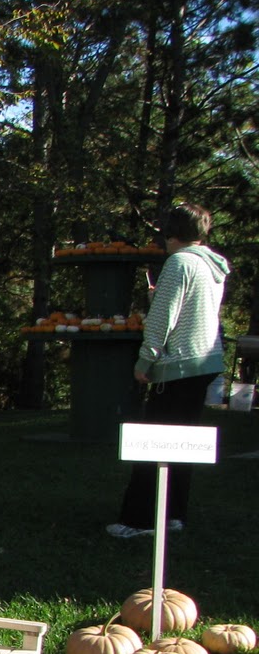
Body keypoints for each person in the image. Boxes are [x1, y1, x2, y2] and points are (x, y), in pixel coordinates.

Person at [106, 203, 230, 538]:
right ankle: (174, 514)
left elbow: (163, 319)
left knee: (154, 444)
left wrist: (145, 361)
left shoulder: (179, 262)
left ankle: (139, 520)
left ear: (170, 233)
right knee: (183, 443)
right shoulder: (212, 265)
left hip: (178, 366)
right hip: (205, 362)